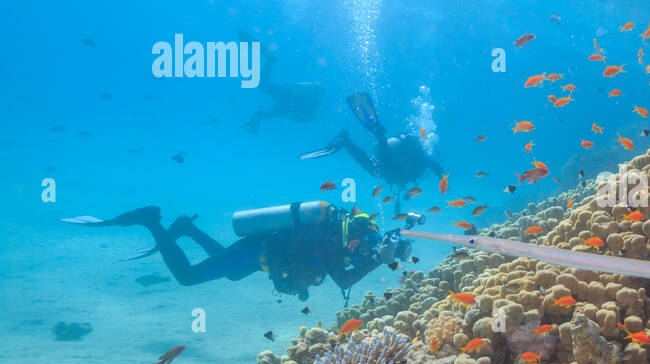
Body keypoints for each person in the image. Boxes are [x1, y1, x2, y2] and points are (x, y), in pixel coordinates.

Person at [62, 203, 418, 300]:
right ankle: (150, 221)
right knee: (188, 278)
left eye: (366, 244)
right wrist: (379, 258)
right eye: (360, 241)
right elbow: (343, 278)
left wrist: (381, 253)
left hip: (266, 260)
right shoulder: (327, 239)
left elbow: (351, 264)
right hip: (258, 250)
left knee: (231, 273)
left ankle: (187, 228)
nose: (360, 248)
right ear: (347, 231)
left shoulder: (344, 241)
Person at [299, 92, 443, 187]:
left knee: (376, 167)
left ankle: (355, 139)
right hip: (391, 167)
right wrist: (443, 180)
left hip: (390, 163)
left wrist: (442, 178)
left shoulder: (420, 157)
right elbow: (435, 165)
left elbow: (435, 166)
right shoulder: (422, 157)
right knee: (375, 168)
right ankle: (350, 141)